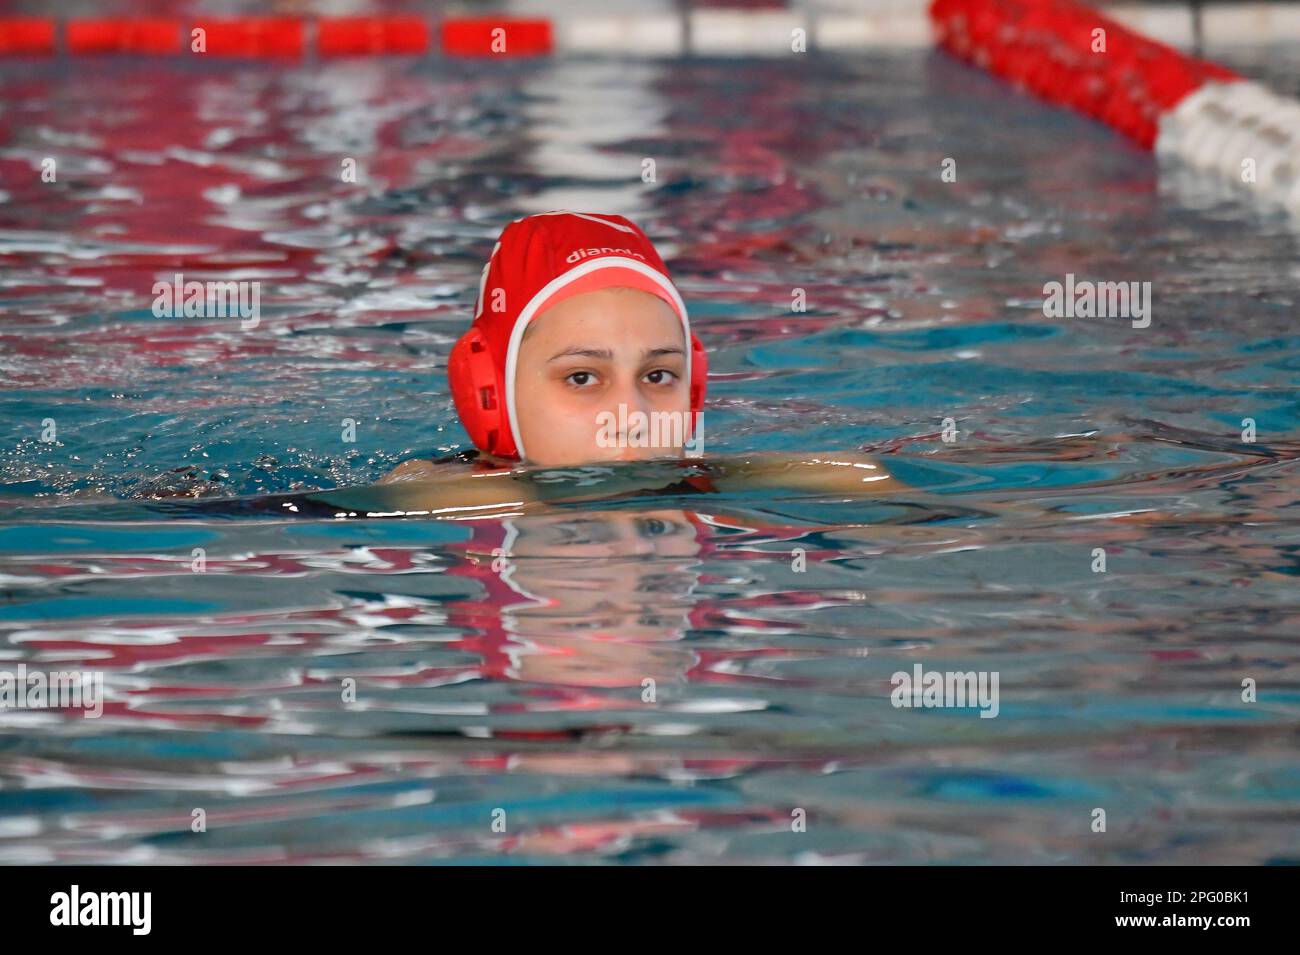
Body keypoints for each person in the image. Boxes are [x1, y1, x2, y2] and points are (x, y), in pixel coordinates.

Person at [377, 210, 905, 511]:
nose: (630, 417)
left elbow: (869, 480)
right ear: (489, 394)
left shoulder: (715, 487)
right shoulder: (425, 501)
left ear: (694, 390)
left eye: (658, 376)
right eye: (582, 377)